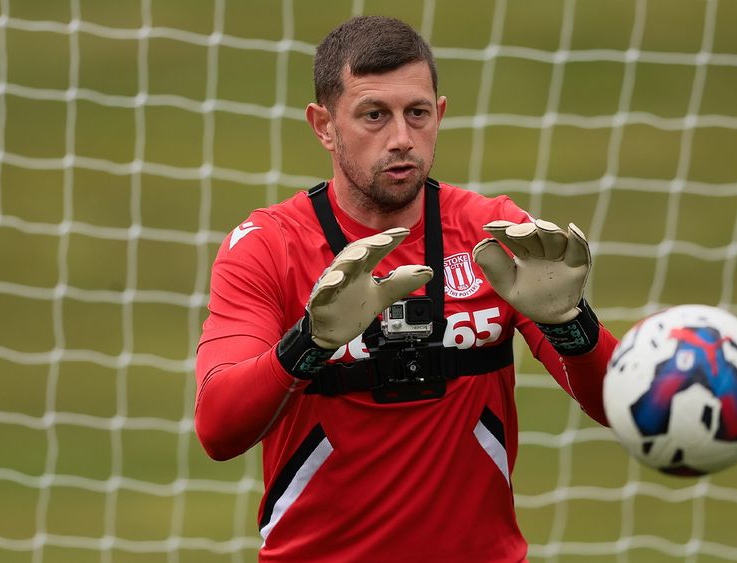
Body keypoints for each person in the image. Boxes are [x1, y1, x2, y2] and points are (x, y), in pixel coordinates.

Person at [194, 15, 618, 562]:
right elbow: (218, 430)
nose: (401, 138)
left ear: (438, 115)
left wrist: (570, 324)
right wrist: (310, 344)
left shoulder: (494, 234)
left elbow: (619, 405)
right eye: (374, 115)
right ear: (323, 125)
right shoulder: (266, 247)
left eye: (416, 113)